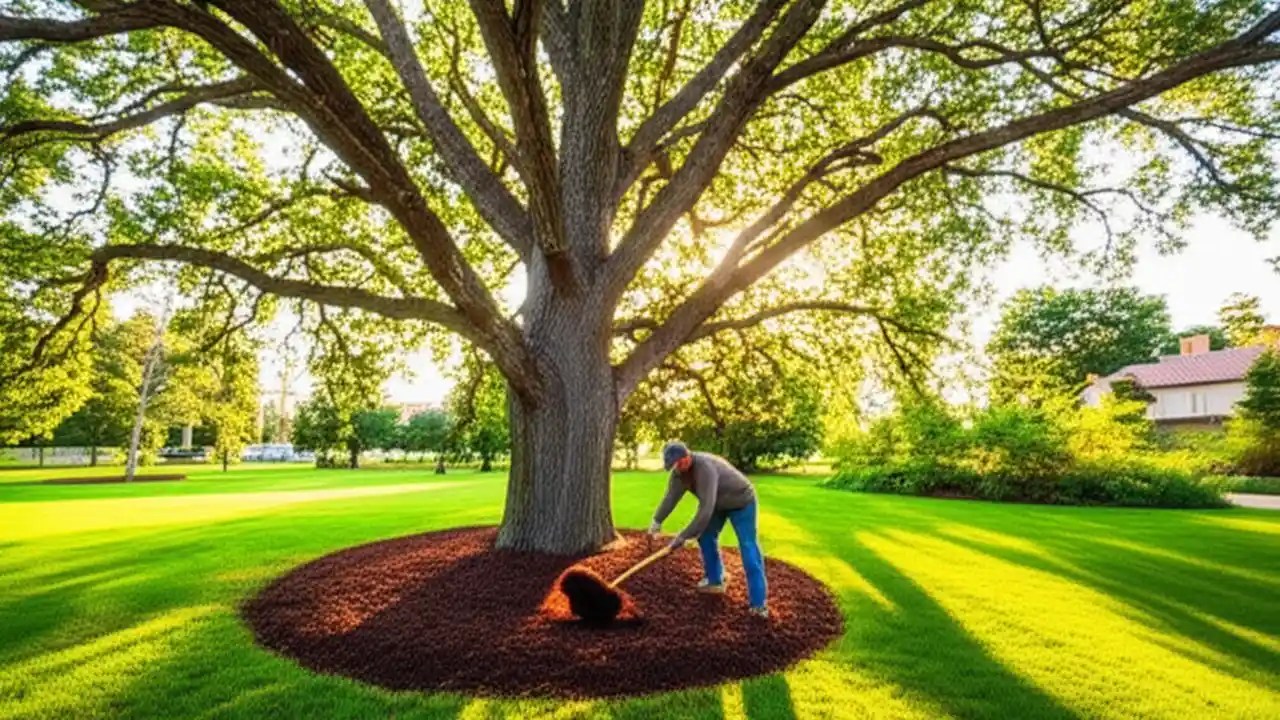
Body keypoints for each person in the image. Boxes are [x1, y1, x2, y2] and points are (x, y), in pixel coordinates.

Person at [648, 440, 769, 617]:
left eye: (681, 462)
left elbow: (706, 509)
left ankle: (759, 604)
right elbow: (670, 498)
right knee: (705, 537)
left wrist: (682, 536)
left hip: (741, 502)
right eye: (675, 465)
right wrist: (656, 521)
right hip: (718, 505)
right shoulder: (678, 475)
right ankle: (715, 581)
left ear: (687, 455)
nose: (679, 467)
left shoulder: (704, 467)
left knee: (748, 547)